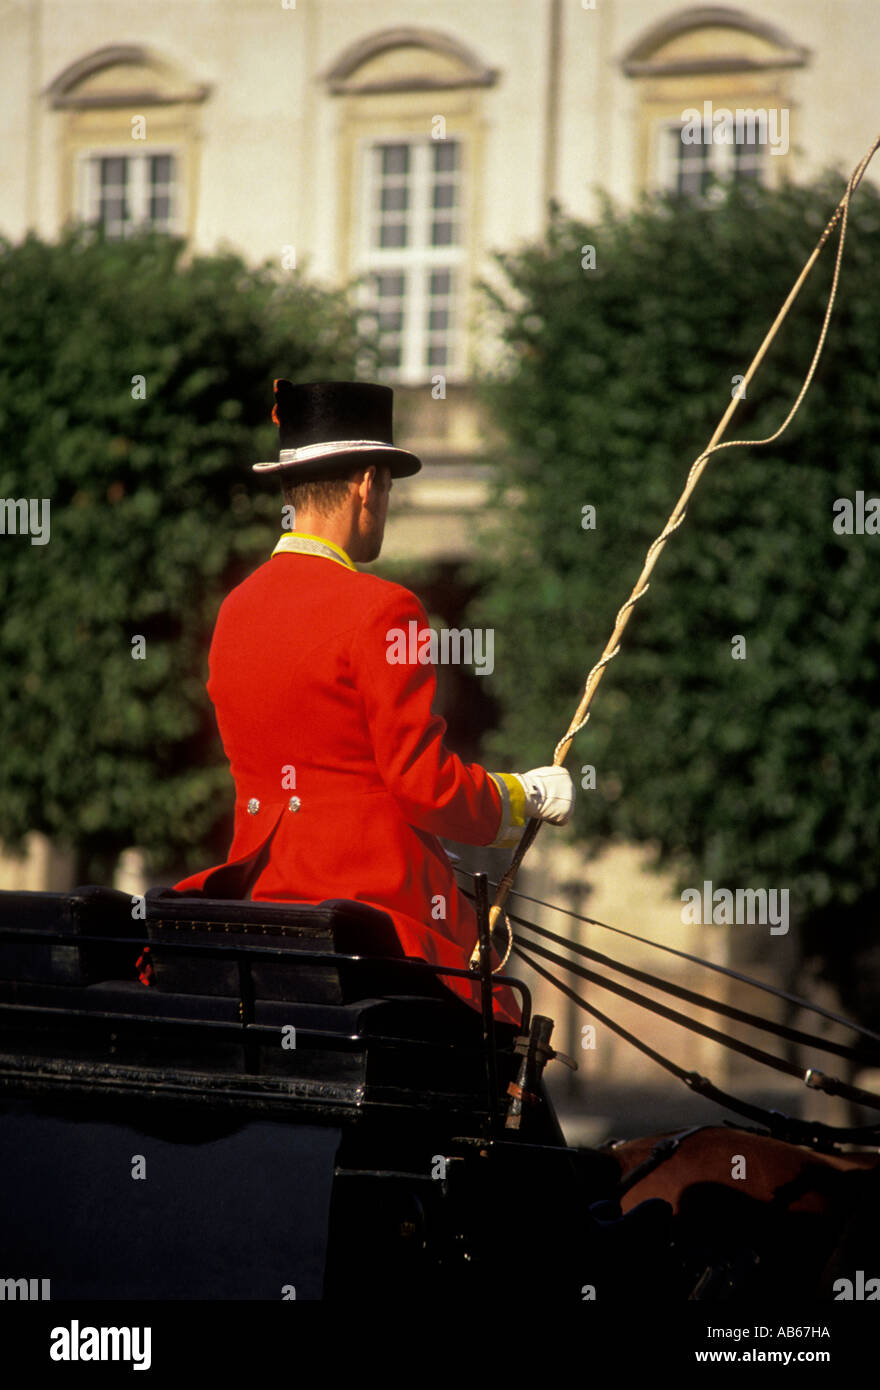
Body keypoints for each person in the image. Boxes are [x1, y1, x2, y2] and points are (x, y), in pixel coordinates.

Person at [173, 380, 574, 1023]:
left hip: (264, 896)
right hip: (370, 906)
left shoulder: (234, 609)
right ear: (366, 485)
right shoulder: (387, 609)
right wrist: (523, 796)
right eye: (388, 487)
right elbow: (425, 787)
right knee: (503, 1025)